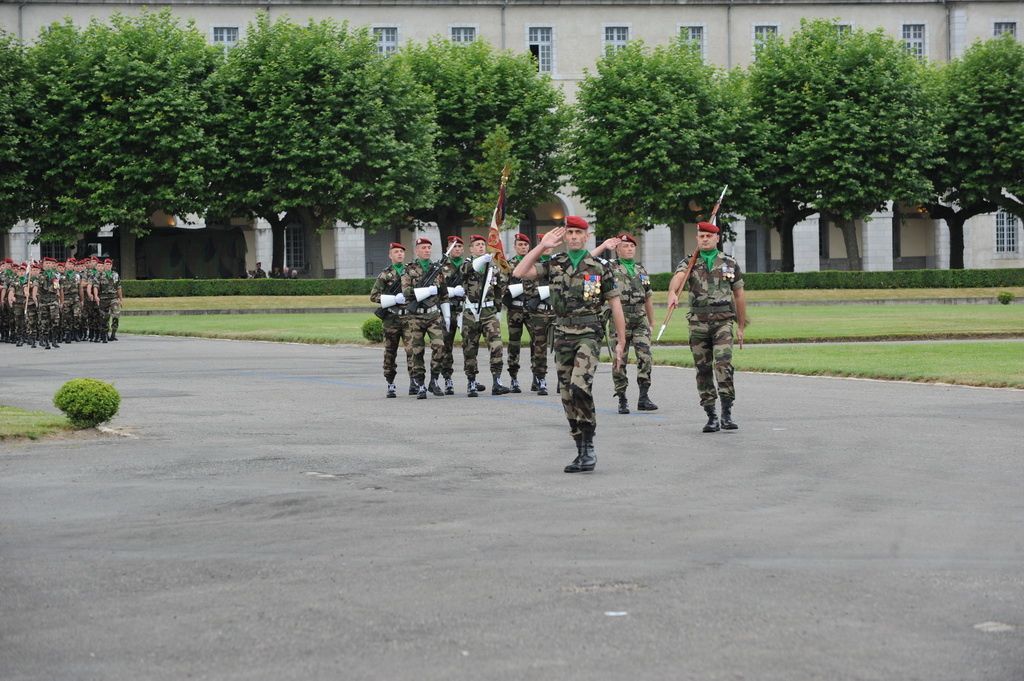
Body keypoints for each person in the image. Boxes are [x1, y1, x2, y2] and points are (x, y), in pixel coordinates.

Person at [513, 217, 626, 473]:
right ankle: (580, 448)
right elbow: (520, 272)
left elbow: (615, 304)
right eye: (570, 233)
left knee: (579, 386)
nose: (574, 237)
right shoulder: (555, 264)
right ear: (565, 237)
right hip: (562, 334)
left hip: (589, 333)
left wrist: (621, 341)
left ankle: (588, 444)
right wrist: (542, 246)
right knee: (566, 395)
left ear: (586, 236)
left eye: (578, 233)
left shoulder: (599, 266)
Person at [667, 221, 747, 432]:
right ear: (697, 239)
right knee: (703, 370)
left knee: (723, 365)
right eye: (701, 236)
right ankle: (711, 415)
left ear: (717, 238)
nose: (704, 239)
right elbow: (678, 277)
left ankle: (727, 413)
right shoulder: (690, 262)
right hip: (698, 323)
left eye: (708, 236)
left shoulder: (729, 263)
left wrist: (740, 326)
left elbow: (739, 294)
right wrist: (672, 293)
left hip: (722, 322)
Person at [591, 233, 657, 414]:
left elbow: (648, 297)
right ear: (617, 249)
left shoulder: (640, 270)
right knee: (620, 360)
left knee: (645, 357)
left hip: (640, 319)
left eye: (631, 246)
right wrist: (604, 246)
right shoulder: (609, 268)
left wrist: (652, 322)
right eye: (625, 246)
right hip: (619, 320)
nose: (629, 249)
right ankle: (622, 397)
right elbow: (588, 261)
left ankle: (644, 397)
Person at [459, 234, 510, 397]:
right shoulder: (466, 264)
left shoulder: (492, 268)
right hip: (471, 313)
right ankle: (471, 382)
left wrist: (498, 309)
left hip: (488, 314)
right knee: (469, 348)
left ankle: (497, 381)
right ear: (471, 249)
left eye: (483, 244)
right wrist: (483, 260)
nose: (481, 247)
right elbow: (465, 271)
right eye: (477, 245)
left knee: (496, 346)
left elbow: (498, 289)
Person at [400, 237, 449, 399]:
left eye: (429, 247)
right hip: (415, 316)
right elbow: (406, 292)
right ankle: (420, 384)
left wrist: (446, 314)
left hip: (434, 314)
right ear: (417, 250)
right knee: (417, 351)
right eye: (423, 247)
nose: (427, 250)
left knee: (440, 346)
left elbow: (444, 294)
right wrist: (426, 291)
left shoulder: (437, 269)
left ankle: (434, 380)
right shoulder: (409, 270)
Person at [369, 242, 413, 398]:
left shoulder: (411, 271)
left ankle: (414, 381)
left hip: (408, 317)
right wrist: (393, 299)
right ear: (390, 255)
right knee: (390, 352)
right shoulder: (385, 274)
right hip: (391, 319)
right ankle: (390, 383)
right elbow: (374, 296)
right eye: (396, 252)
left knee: (412, 350)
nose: (400, 254)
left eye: (401, 251)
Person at [504, 233, 533, 393]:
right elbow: (502, 286)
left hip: (532, 309)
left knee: (537, 343)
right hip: (515, 309)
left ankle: (538, 377)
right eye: (520, 245)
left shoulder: (533, 263)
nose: (523, 247)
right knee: (514, 343)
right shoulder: (509, 266)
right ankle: (513, 377)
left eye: (525, 245)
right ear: (515, 247)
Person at [438, 235, 467, 395]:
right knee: (446, 346)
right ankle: (447, 379)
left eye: (459, 247)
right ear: (448, 248)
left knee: (469, 344)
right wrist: (451, 291)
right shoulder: (441, 265)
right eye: (454, 246)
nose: (457, 249)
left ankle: (472, 379)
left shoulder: (468, 265)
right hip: (447, 309)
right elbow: (436, 287)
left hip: (464, 309)